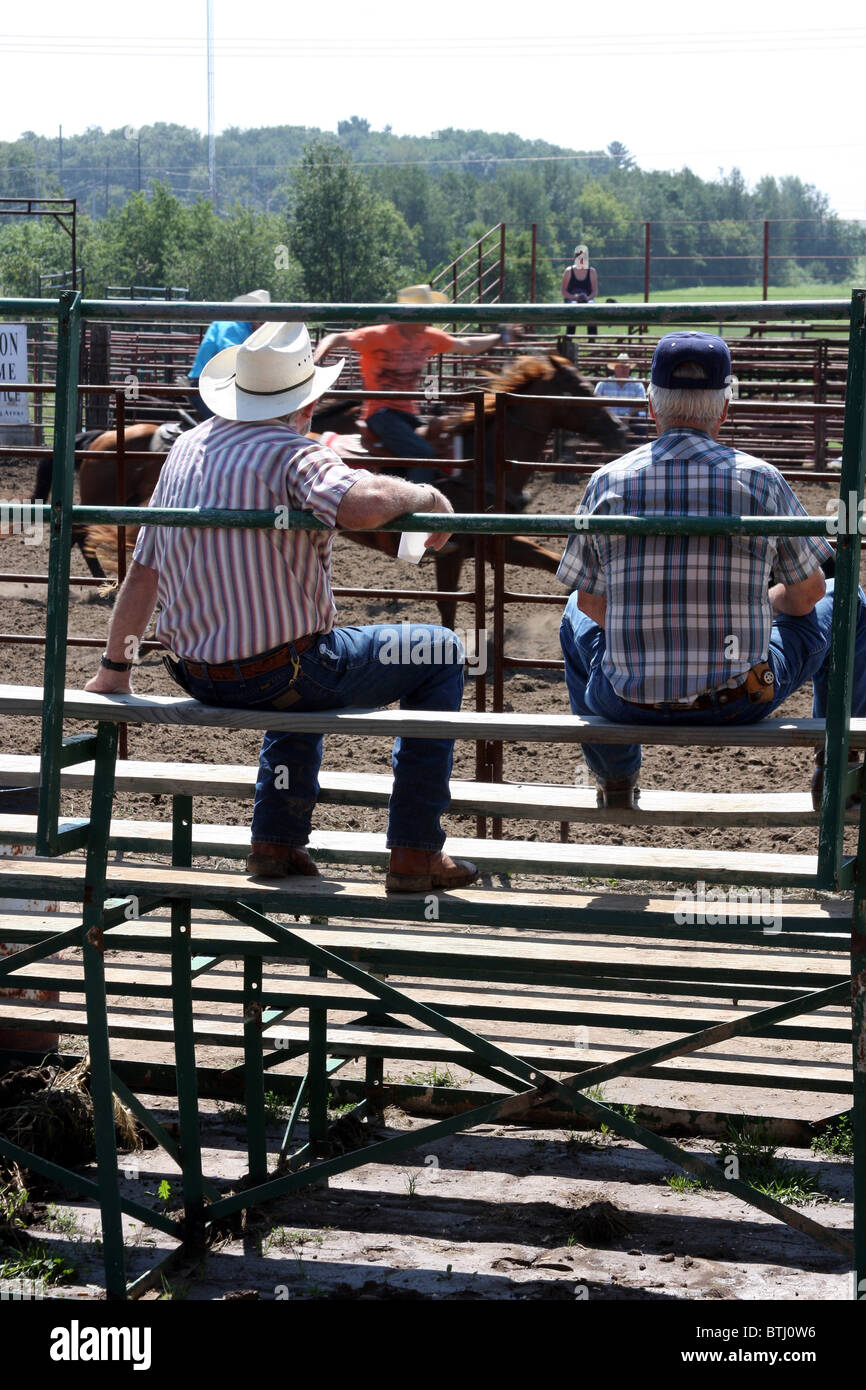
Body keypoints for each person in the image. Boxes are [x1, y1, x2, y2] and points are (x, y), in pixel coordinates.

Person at [84, 319, 479, 895]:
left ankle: (276, 841)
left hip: (196, 673)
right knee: (440, 649)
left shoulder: (187, 450)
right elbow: (362, 504)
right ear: (307, 400)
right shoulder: (293, 453)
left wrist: (114, 668)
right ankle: (415, 851)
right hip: (285, 670)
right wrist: (426, 495)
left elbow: (144, 570)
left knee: (296, 661)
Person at [557, 329, 865, 810]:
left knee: (573, 609)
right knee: (853, 601)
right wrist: (767, 603)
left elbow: (593, 603)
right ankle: (838, 769)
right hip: (742, 698)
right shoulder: (761, 481)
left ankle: (614, 774)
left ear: (652, 407)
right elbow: (806, 596)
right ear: (724, 408)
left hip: (628, 700)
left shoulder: (606, 483)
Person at [313, 285, 507, 472]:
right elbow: (339, 338)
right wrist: (319, 354)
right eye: (426, 314)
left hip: (408, 415)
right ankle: (420, 501)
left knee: (444, 443)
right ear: (410, 315)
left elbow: (465, 344)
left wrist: (499, 337)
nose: (429, 320)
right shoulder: (378, 335)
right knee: (424, 455)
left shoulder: (428, 337)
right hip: (380, 415)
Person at [187, 290, 271, 420]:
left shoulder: (241, 325)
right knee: (232, 423)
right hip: (208, 385)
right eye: (259, 313)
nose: (264, 319)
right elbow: (232, 355)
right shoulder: (232, 324)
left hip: (216, 383)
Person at [593, 352, 647, 441]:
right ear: (615, 368)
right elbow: (595, 403)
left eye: (626, 367)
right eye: (621, 367)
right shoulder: (603, 383)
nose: (624, 370)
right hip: (608, 417)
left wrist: (628, 416)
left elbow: (642, 404)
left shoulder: (637, 384)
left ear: (629, 369)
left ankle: (638, 444)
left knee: (641, 416)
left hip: (630, 418)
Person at [562, 245, 598, 339]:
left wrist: (587, 298)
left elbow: (594, 292)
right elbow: (564, 291)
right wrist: (575, 298)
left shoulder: (592, 271)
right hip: (572, 300)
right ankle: (569, 340)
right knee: (572, 312)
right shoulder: (569, 271)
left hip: (588, 300)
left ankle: (592, 341)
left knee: (592, 311)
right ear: (575, 258)